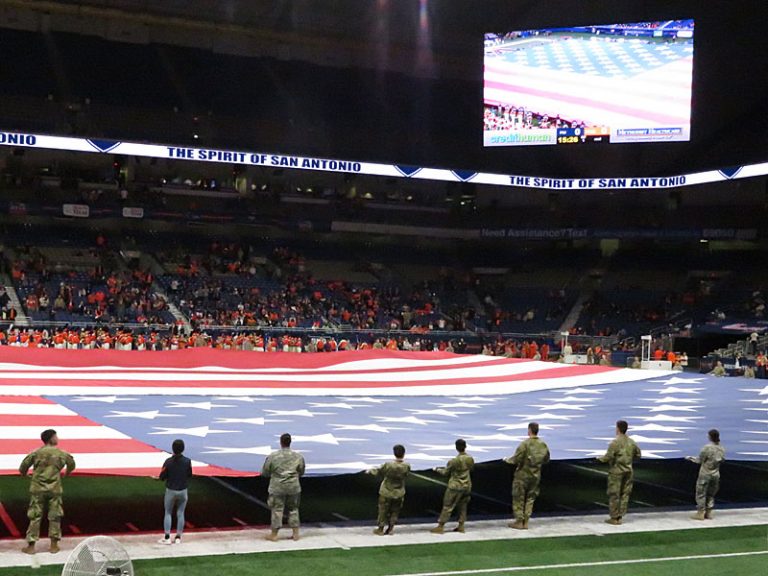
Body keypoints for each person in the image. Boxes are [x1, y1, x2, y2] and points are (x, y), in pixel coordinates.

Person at [18, 429, 76, 554]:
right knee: (55, 516)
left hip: (38, 488)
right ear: (51, 438)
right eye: (56, 436)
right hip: (54, 488)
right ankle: (54, 545)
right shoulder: (61, 453)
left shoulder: (36, 453)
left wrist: (25, 474)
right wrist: (66, 473)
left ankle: (31, 546)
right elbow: (71, 464)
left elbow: (23, 466)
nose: (57, 438)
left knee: (35, 516)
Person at [505, 422, 550, 530]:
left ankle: (519, 521)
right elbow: (546, 459)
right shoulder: (543, 444)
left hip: (522, 475)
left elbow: (516, 459)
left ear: (529, 430)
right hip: (535, 475)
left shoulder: (525, 444)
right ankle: (526, 521)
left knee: (518, 497)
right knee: (531, 498)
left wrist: (506, 460)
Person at [262, 433, 306, 541]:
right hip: (293, 486)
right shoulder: (298, 457)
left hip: (278, 487)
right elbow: (301, 471)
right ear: (290, 442)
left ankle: (274, 534)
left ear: (281, 442)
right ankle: (295, 534)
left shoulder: (273, 456)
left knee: (277, 510)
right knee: (294, 509)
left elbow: (265, 472)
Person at [597, 420, 641, 525]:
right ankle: (620, 515)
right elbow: (638, 455)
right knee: (625, 494)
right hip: (628, 471)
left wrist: (598, 459)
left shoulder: (615, 442)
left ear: (618, 428)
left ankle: (614, 517)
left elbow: (608, 457)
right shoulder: (632, 442)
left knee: (614, 494)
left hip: (616, 472)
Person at [431, 439, 474, 534]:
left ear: (456, 447)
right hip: (467, 485)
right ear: (465, 446)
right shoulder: (470, 458)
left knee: (448, 506)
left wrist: (437, 469)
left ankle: (440, 526)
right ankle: (461, 526)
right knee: (463, 506)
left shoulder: (453, 461)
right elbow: (471, 468)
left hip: (455, 486)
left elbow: (446, 472)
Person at [367, 444, 411, 535]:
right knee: (395, 511)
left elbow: (378, 472)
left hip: (386, 491)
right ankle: (390, 529)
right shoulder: (406, 465)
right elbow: (406, 475)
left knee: (383, 510)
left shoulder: (388, 465)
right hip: (399, 492)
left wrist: (370, 470)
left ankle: (380, 529)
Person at [157, 439, 192, 545]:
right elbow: (189, 475)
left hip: (171, 490)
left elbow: (162, 476)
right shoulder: (187, 461)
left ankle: (167, 537)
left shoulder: (168, 462)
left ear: (172, 449)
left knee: (168, 512)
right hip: (183, 490)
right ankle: (178, 537)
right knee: (180, 513)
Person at [686, 429, 725, 520]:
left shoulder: (707, 448)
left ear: (710, 437)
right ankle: (709, 512)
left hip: (705, 474)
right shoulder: (722, 448)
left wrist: (690, 458)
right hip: (715, 474)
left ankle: (700, 512)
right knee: (711, 494)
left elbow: (699, 460)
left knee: (701, 493)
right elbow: (722, 460)